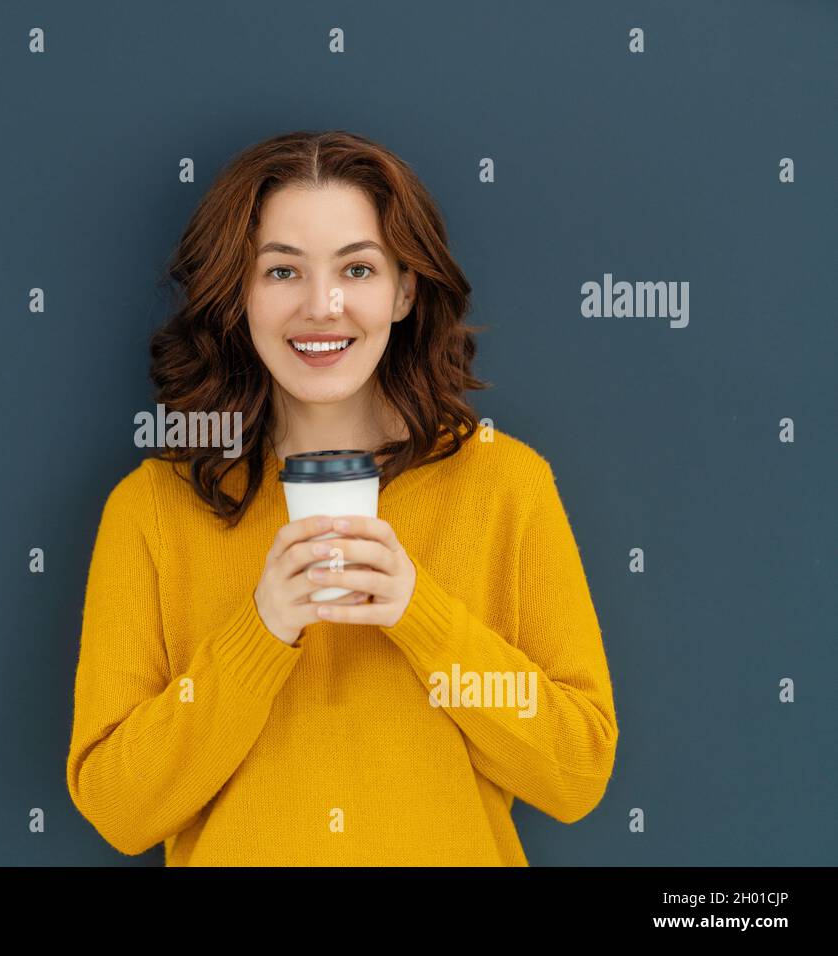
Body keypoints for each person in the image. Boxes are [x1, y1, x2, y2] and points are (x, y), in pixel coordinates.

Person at [65, 130, 619, 866]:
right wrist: (260, 631)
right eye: (283, 271)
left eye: (357, 268)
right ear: (239, 291)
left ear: (404, 289)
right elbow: (119, 810)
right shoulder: (151, 509)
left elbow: (577, 773)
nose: (323, 306)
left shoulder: (504, 483)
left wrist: (420, 616)